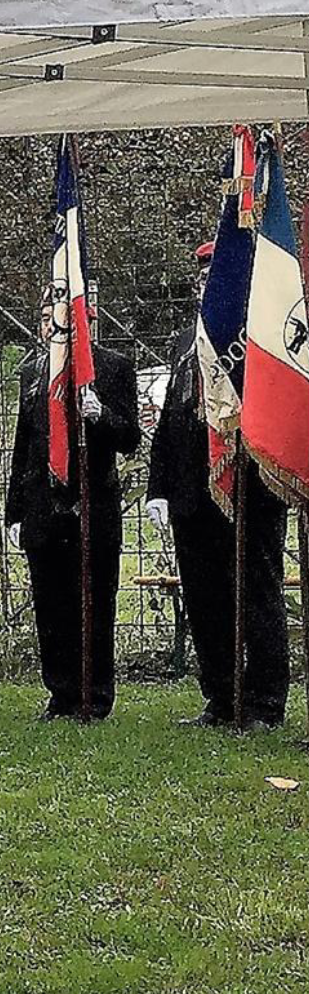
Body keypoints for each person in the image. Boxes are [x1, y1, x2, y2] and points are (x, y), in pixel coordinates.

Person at [146, 241, 288, 729]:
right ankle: (220, 697)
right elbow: (172, 415)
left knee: (256, 593)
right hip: (193, 488)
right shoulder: (187, 339)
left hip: (251, 485)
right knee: (206, 598)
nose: (208, 284)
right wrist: (157, 487)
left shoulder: (263, 338)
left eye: (217, 275)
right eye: (203, 277)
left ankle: (265, 701)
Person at [6, 295, 141, 720]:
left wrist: (100, 415)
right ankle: (60, 692)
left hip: (92, 504)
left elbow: (130, 438)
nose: (51, 328)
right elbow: (23, 445)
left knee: (94, 603)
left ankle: (95, 694)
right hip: (43, 506)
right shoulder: (33, 370)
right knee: (51, 605)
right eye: (45, 319)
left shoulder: (113, 367)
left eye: (60, 320)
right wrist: (14, 511)